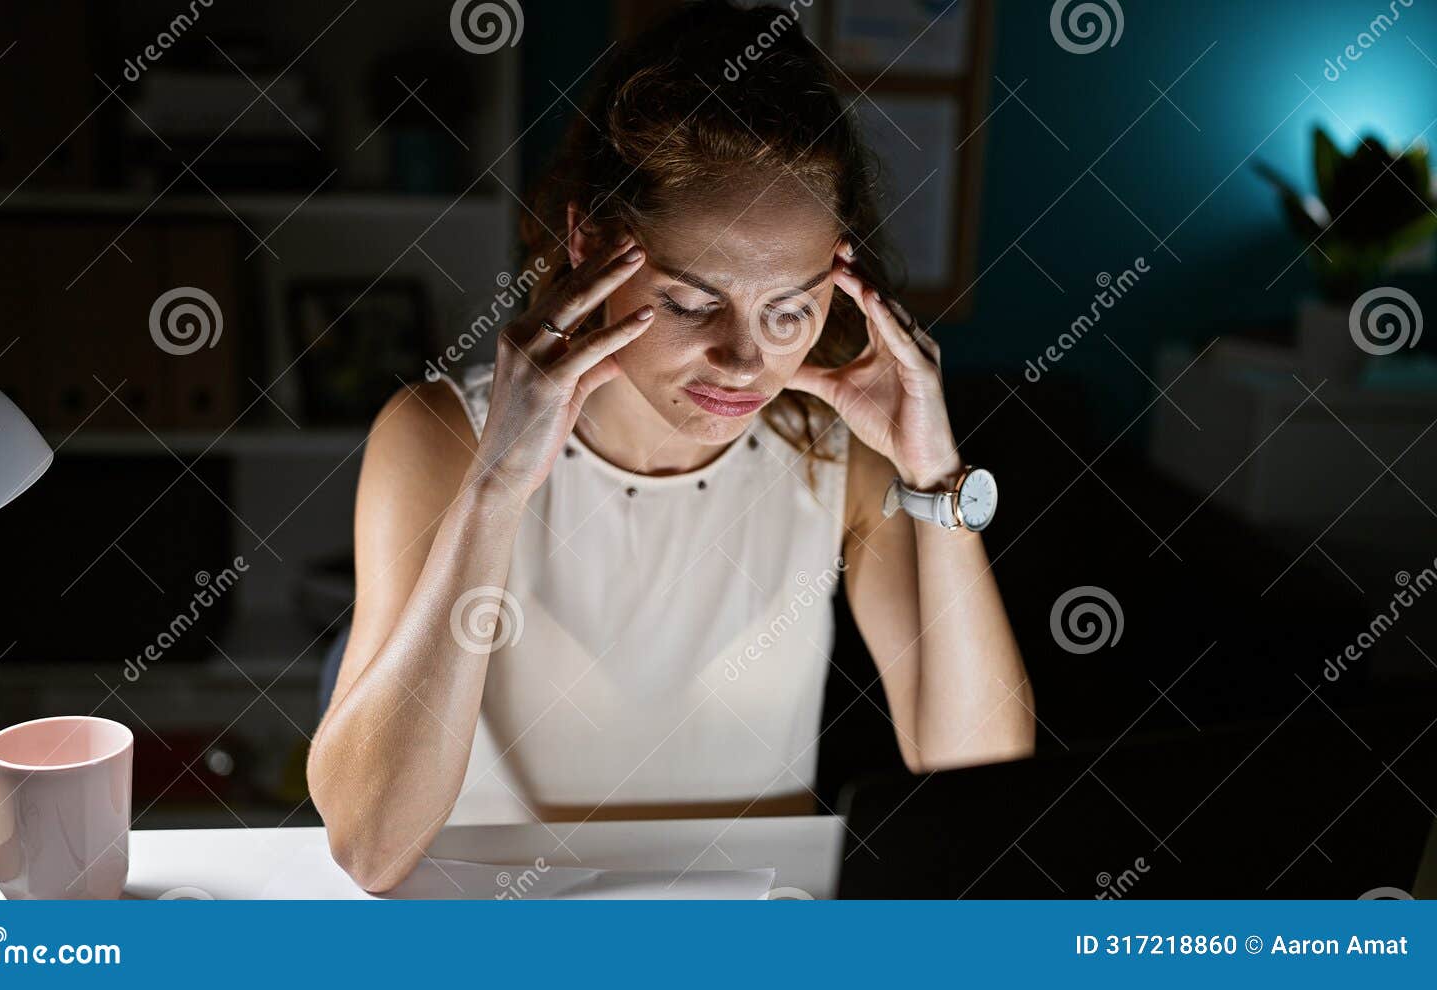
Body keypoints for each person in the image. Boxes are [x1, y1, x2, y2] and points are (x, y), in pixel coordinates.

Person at [308, 0, 1034, 893]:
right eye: (693, 305)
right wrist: (497, 487)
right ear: (592, 243)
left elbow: (980, 786)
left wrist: (937, 480)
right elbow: (369, 847)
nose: (744, 360)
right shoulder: (439, 437)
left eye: (791, 310)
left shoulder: (837, 458)